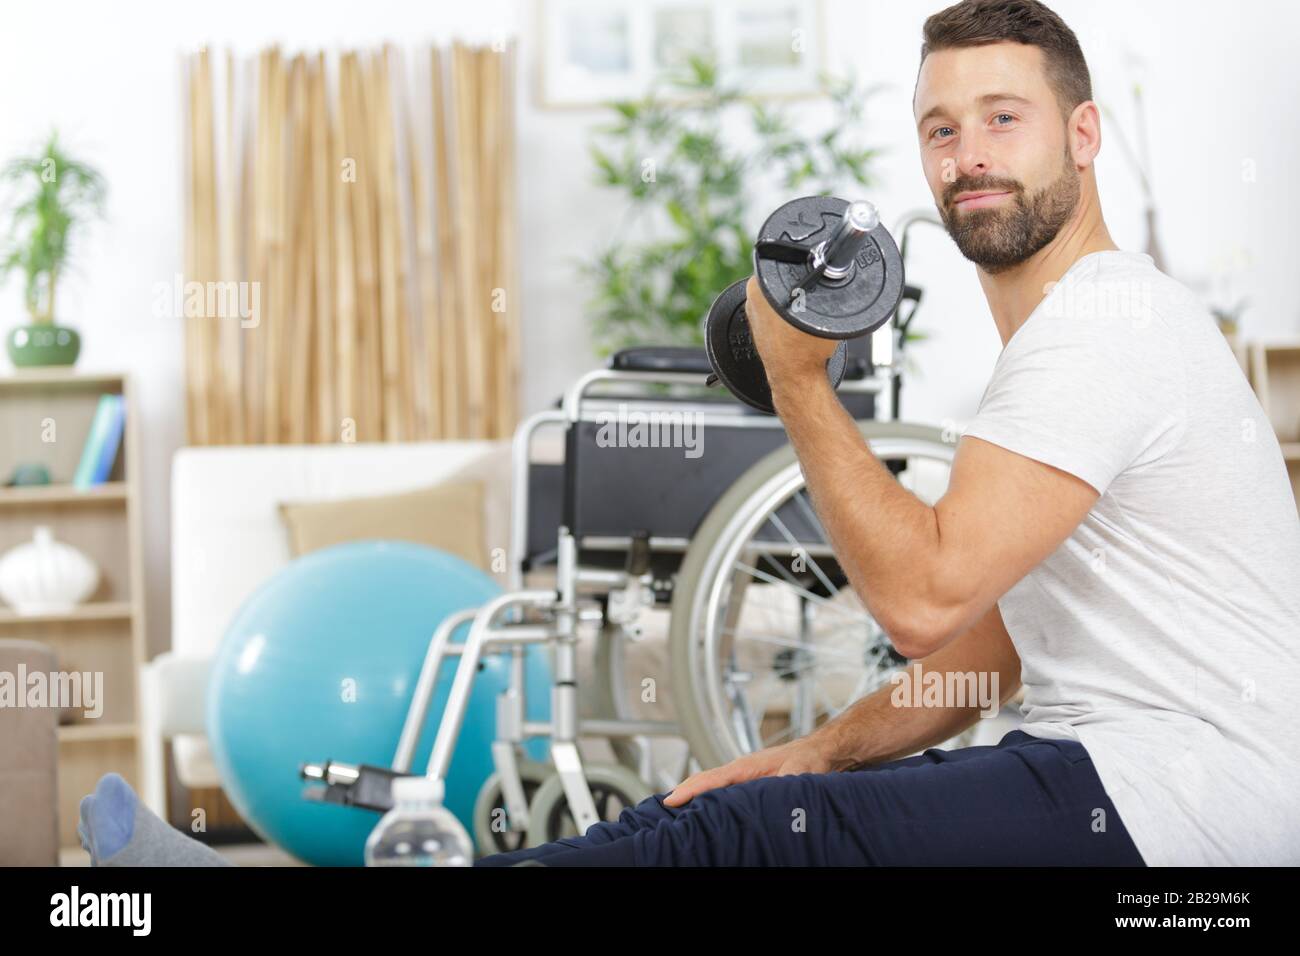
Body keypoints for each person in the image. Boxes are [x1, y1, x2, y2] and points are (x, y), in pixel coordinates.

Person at [79, 0, 1300, 868]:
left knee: (736, 844)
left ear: (1081, 139)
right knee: (704, 811)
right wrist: (814, 752)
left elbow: (923, 601)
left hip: (1182, 801)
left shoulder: (1101, 326)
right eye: (941, 129)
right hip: (1110, 765)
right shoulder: (1073, 340)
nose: (969, 157)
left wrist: (798, 379)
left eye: (1003, 119)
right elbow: (992, 638)